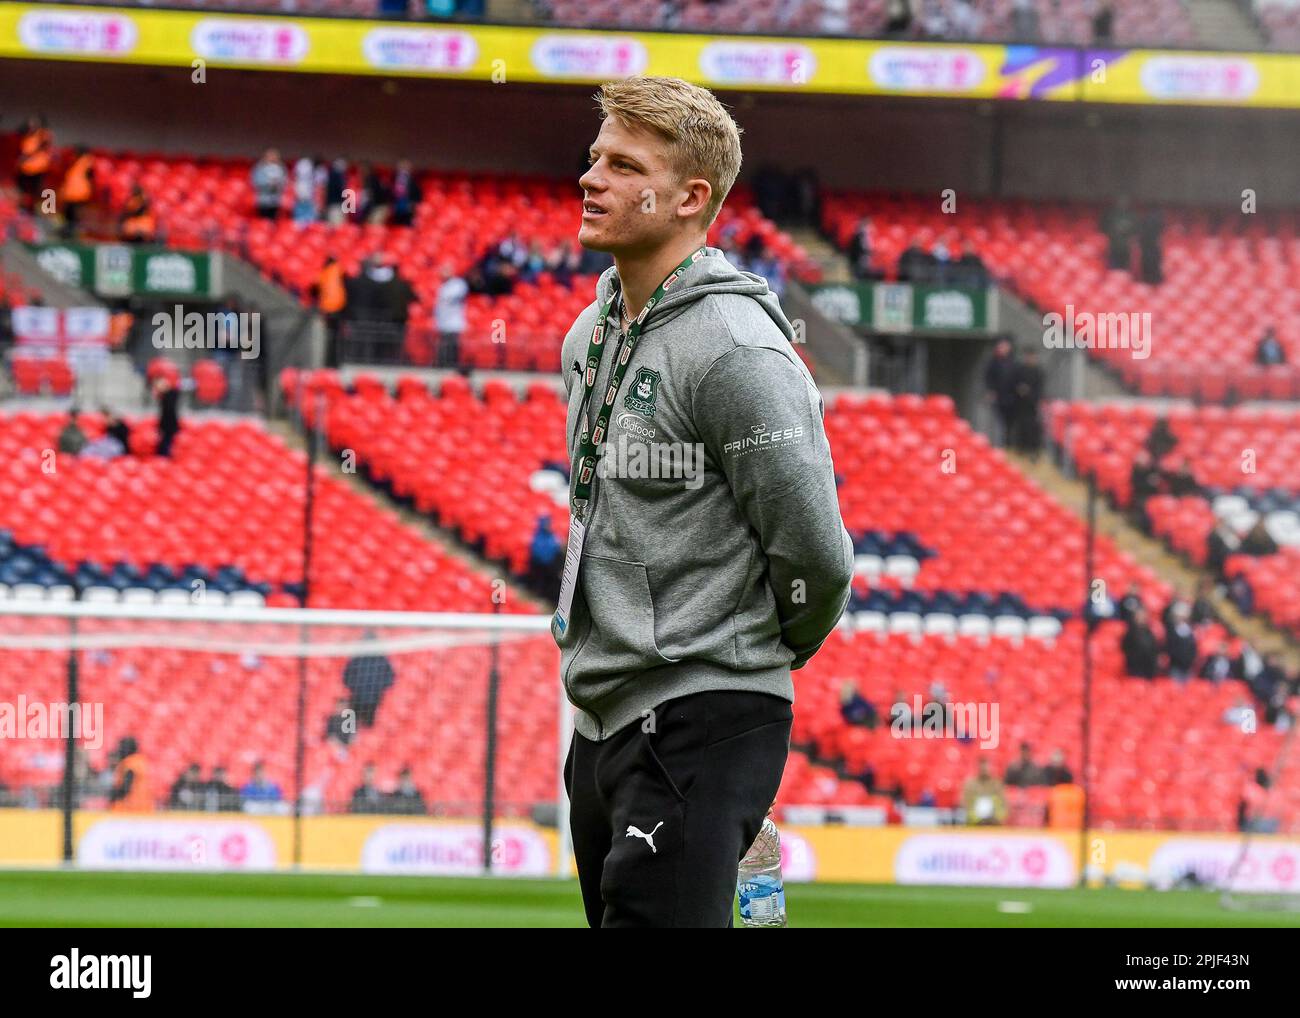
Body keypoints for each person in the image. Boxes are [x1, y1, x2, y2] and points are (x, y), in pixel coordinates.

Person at [558, 76, 852, 928]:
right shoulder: (587, 338)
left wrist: (736, 661)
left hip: (703, 713)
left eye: (622, 164)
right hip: (604, 723)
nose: (591, 178)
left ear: (692, 198)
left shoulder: (737, 351)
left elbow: (816, 556)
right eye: (594, 158)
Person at [342, 632, 395, 727]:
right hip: (363, 697)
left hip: (368, 698)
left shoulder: (379, 660)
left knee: (356, 725)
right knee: (356, 725)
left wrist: (378, 688)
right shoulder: (380, 659)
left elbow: (347, 676)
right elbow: (347, 676)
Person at [313, 255, 348, 368]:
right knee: (336, 338)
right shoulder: (339, 271)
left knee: (330, 338)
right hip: (339, 308)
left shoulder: (324, 273)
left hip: (328, 309)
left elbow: (315, 289)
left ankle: (329, 362)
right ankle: (336, 363)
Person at [983, 339, 1018, 447]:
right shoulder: (993, 363)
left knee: (1010, 423)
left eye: (1006, 347)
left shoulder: (1014, 362)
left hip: (1012, 397)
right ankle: (997, 444)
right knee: (998, 422)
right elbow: (988, 378)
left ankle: (1009, 443)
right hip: (998, 397)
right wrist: (990, 391)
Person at [1010, 348, 1044, 457]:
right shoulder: (1019, 370)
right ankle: (1020, 448)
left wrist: (1029, 393)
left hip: (1032, 405)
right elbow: (1013, 385)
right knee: (1020, 427)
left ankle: (1033, 449)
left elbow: (1039, 389)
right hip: (1020, 405)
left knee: (1033, 427)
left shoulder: (1038, 372)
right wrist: (1019, 390)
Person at [16, 115, 53, 213]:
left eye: (34, 122)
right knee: (23, 188)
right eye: (30, 123)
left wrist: (27, 156)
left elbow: (43, 146)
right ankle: (24, 207)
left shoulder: (43, 134)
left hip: (38, 167)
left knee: (36, 190)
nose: (31, 124)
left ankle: (35, 209)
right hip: (26, 168)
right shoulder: (28, 135)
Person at [434, 263, 468, 368]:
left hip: (454, 321)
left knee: (452, 345)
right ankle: (442, 365)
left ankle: (452, 364)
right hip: (443, 321)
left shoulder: (458, 283)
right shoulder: (443, 285)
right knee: (443, 345)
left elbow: (453, 297)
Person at [59, 146, 96, 238]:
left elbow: (90, 174)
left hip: (79, 194)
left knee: (74, 216)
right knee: (68, 215)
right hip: (72, 194)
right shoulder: (77, 162)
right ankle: (68, 232)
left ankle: (73, 233)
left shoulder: (86, 161)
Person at [108, 736, 152, 813]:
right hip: (145, 807)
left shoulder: (130, 764)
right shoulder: (141, 761)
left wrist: (113, 796)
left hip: (130, 809)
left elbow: (125, 788)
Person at [526, 514, 563, 599]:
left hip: (551, 566)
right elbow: (536, 552)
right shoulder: (537, 536)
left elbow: (557, 550)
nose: (548, 526)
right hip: (539, 566)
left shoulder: (553, 536)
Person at [962, 759, 1007, 825]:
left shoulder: (997, 784)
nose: (984, 770)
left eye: (986, 767)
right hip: (974, 824)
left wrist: (997, 818)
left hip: (994, 824)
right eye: (982, 767)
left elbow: (1004, 805)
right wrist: (976, 819)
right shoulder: (970, 784)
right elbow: (965, 804)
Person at [1121, 605, 1159, 679]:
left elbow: (1154, 648)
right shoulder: (1130, 632)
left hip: (1149, 667)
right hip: (1135, 668)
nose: (1142, 618)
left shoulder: (1149, 631)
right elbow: (1126, 648)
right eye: (1140, 615)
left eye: (1144, 616)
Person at [1100, 195, 1135, 273]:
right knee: (1113, 269)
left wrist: (1127, 231)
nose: (1122, 203)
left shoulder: (1132, 215)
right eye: (1120, 201)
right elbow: (1103, 227)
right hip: (1113, 246)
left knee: (1125, 269)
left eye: (1124, 201)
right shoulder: (1110, 215)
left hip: (1126, 247)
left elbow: (1136, 230)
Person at [1164, 600, 1198, 682]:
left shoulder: (1189, 631)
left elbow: (1193, 648)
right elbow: (1170, 647)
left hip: (1187, 667)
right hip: (1175, 666)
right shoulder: (1171, 630)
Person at [251, 149, 287, 220]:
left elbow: (284, 181)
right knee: (263, 220)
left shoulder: (280, 168)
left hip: (276, 200)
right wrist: (268, 184)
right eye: (270, 156)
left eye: (274, 156)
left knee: (275, 220)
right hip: (263, 200)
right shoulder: (259, 168)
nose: (272, 158)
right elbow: (256, 182)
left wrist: (277, 184)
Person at [153, 375, 182, 457]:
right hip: (165, 426)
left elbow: (169, 409)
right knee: (163, 446)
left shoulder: (171, 394)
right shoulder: (163, 396)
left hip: (170, 425)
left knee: (166, 446)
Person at [389, 159, 422, 227]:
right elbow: (390, 192)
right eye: (401, 166)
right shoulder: (393, 178)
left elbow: (417, 194)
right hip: (396, 205)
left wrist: (413, 203)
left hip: (408, 206)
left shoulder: (414, 180)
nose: (403, 168)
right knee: (396, 226)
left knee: (407, 225)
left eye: (405, 166)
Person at [291, 155, 318, 225]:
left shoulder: (311, 181)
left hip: (309, 202)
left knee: (310, 224)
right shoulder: (297, 182)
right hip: (299, 203)